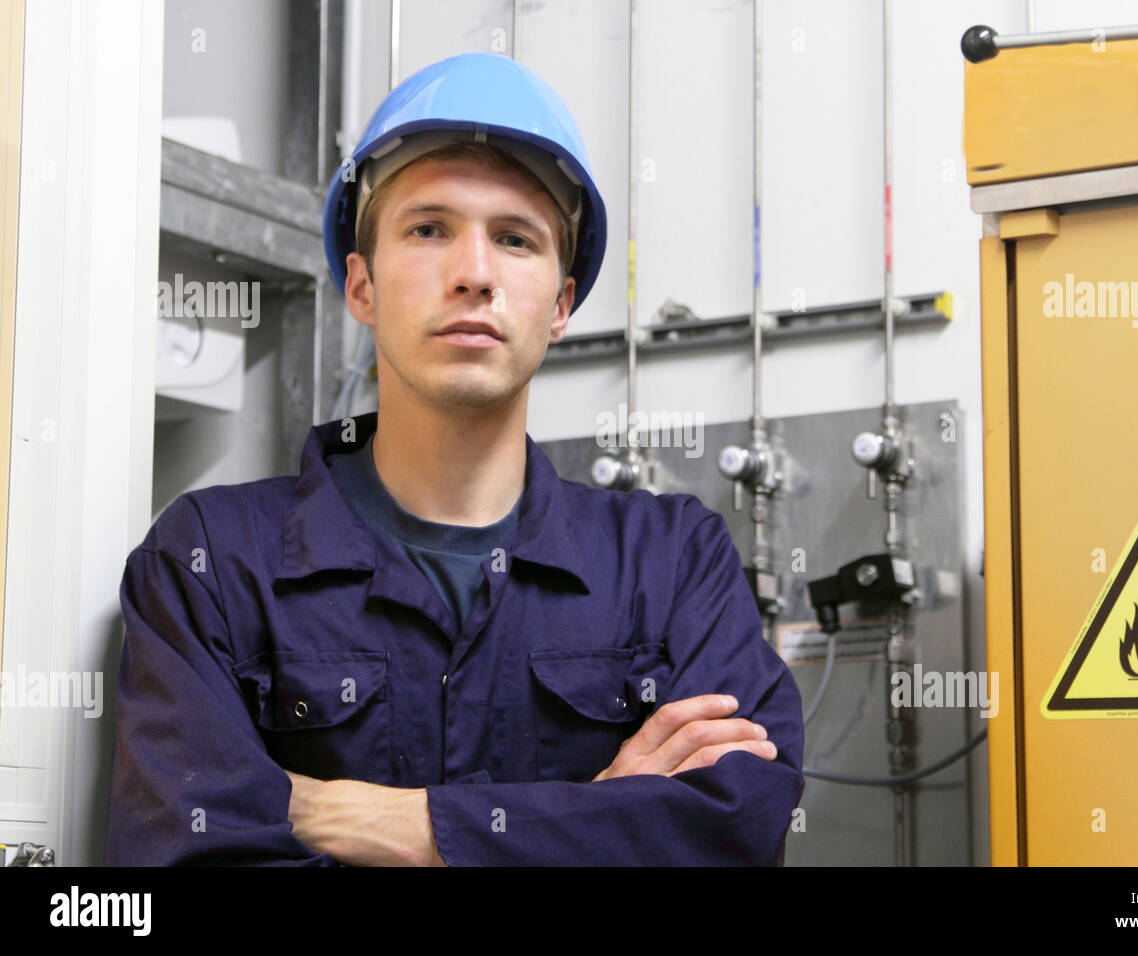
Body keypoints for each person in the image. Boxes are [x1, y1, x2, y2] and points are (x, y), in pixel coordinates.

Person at [104, 51, 804, 866]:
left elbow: (736, 831)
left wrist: (387, 823)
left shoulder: (673, 562)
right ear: (360, 286)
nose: (473, 274)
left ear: (561, 304)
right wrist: (596, 819)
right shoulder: (213, 565)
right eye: (429, 229)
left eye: (514, 239)